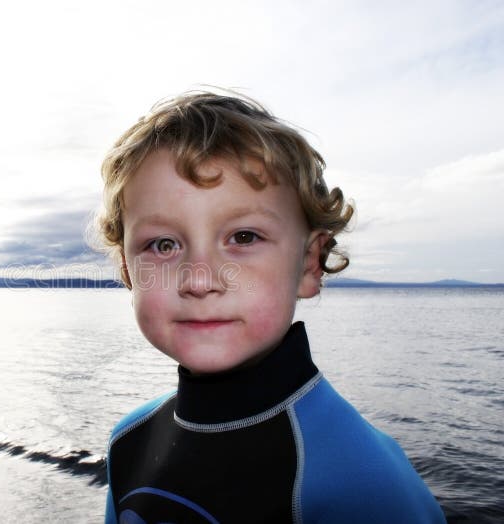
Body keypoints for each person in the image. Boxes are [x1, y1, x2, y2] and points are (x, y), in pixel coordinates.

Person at [94, 91, 446, 523]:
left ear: (310, 264)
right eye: (162, 244)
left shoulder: (363, 484)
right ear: (129, 273)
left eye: (243, 237)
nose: (200, 279)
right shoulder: (127, 440)